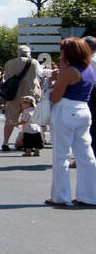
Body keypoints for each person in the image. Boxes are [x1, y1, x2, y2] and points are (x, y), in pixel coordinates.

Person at [44, 37, 96, 207]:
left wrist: (51, 86)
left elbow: (56, 96)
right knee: (85, 155)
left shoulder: (68, 72)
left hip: (66, 110)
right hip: (83, 110)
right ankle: (89, 195)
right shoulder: (89, 69)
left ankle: (60, 196)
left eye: (63, 49)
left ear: (70, 52)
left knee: (61, 155)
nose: (61, 52)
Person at [1, 46, 40, 151]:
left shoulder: (9, 63)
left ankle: (5, 142)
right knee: (30, 120)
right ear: (28, 53)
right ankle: (30, 144)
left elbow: (7, 77)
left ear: (17, 53)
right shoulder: (34, 62)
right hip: (29, 96)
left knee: (10, 119)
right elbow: (38, 75)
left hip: (13, 95)